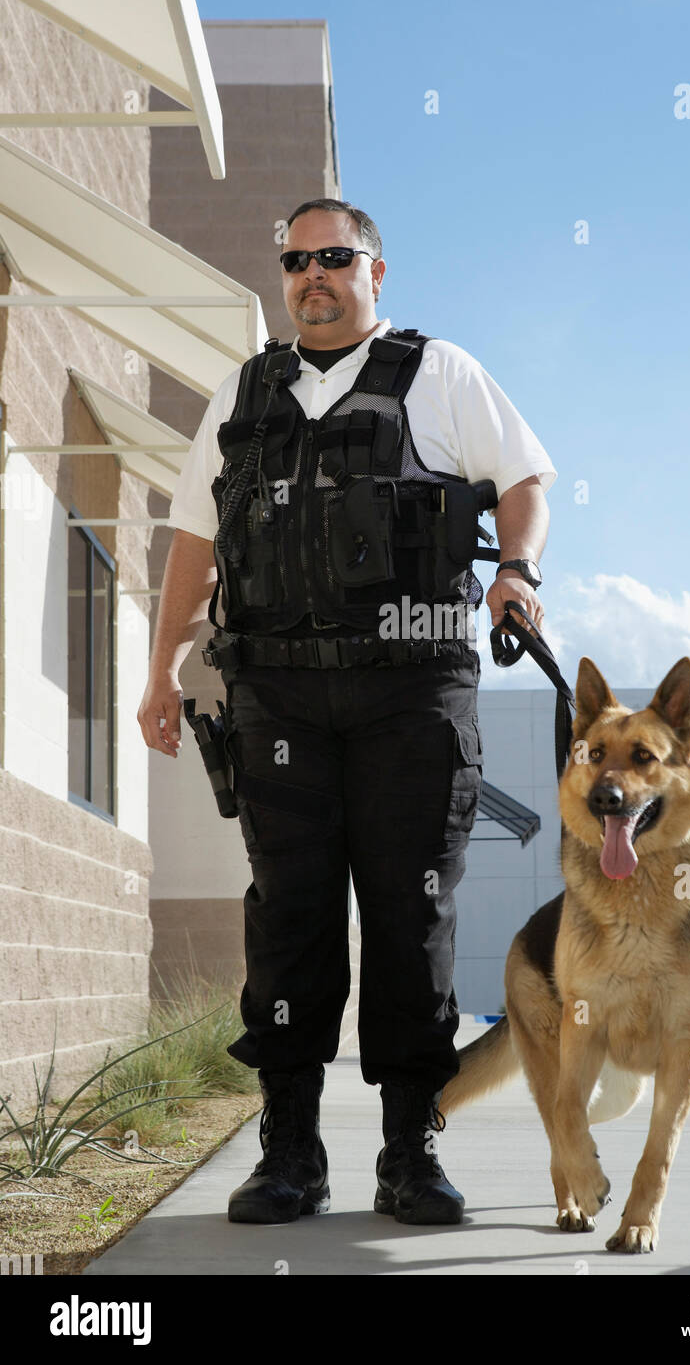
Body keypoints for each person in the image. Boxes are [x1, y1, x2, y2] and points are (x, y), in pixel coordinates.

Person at [137, 199, 556, 1228]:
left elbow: (525, 477)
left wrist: (516, 570)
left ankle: (410, 1149)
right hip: (276, 691)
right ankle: (290, 1147)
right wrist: (159, 670)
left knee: (411, 917)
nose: (313, 275)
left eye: (335, 258)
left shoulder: (438, 372)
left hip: (412, 690)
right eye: (296, 261)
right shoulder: (245, 391)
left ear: (376, 271)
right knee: (290, 914)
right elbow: (194, 543)